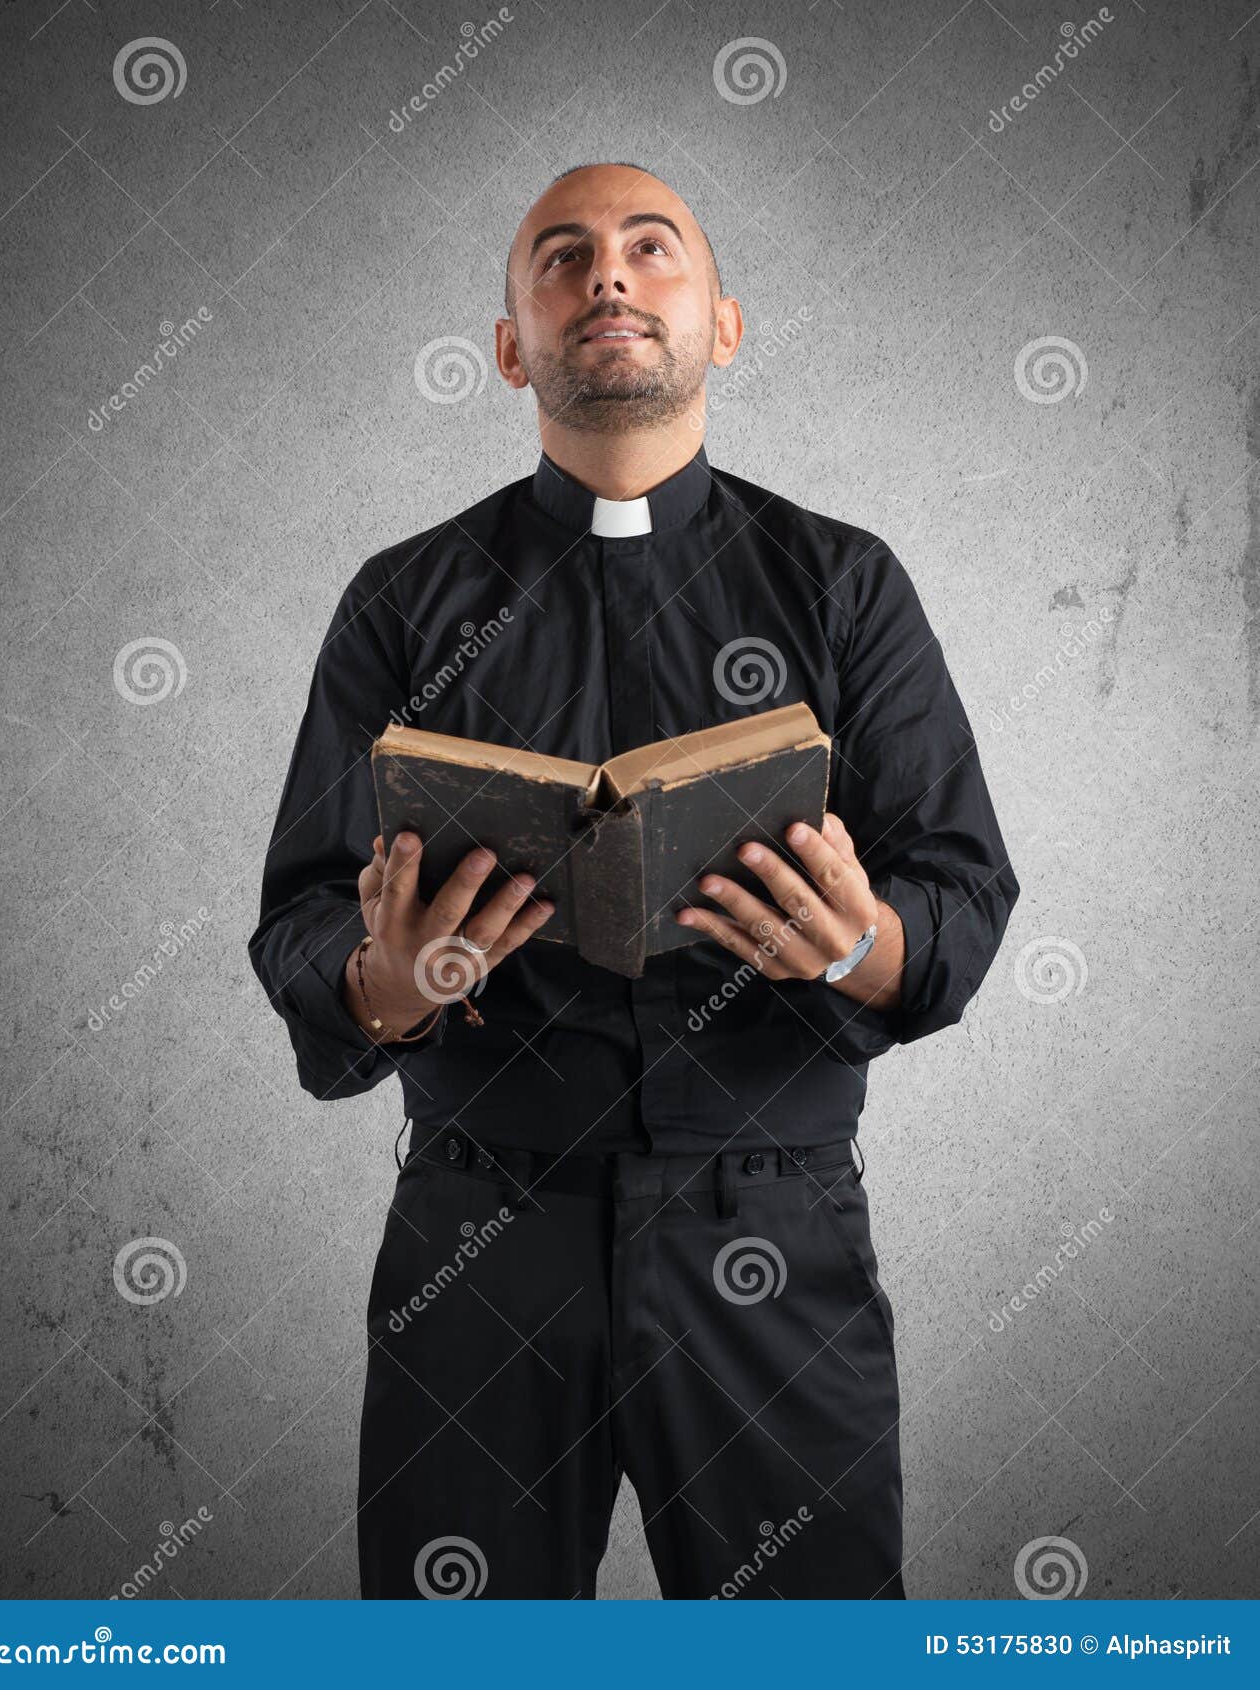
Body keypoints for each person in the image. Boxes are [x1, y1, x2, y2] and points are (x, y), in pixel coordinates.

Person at [247, 161, 1020, 1601]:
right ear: (506, 346)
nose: (606, 276)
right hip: (477, 1236)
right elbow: (296, 911)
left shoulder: (843, 585)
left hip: (767, 1236)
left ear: (722, 323)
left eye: (648, 250)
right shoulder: (401, 599)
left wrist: (859, 942)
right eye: (560, 257)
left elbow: (964, 898)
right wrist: (383, 984)